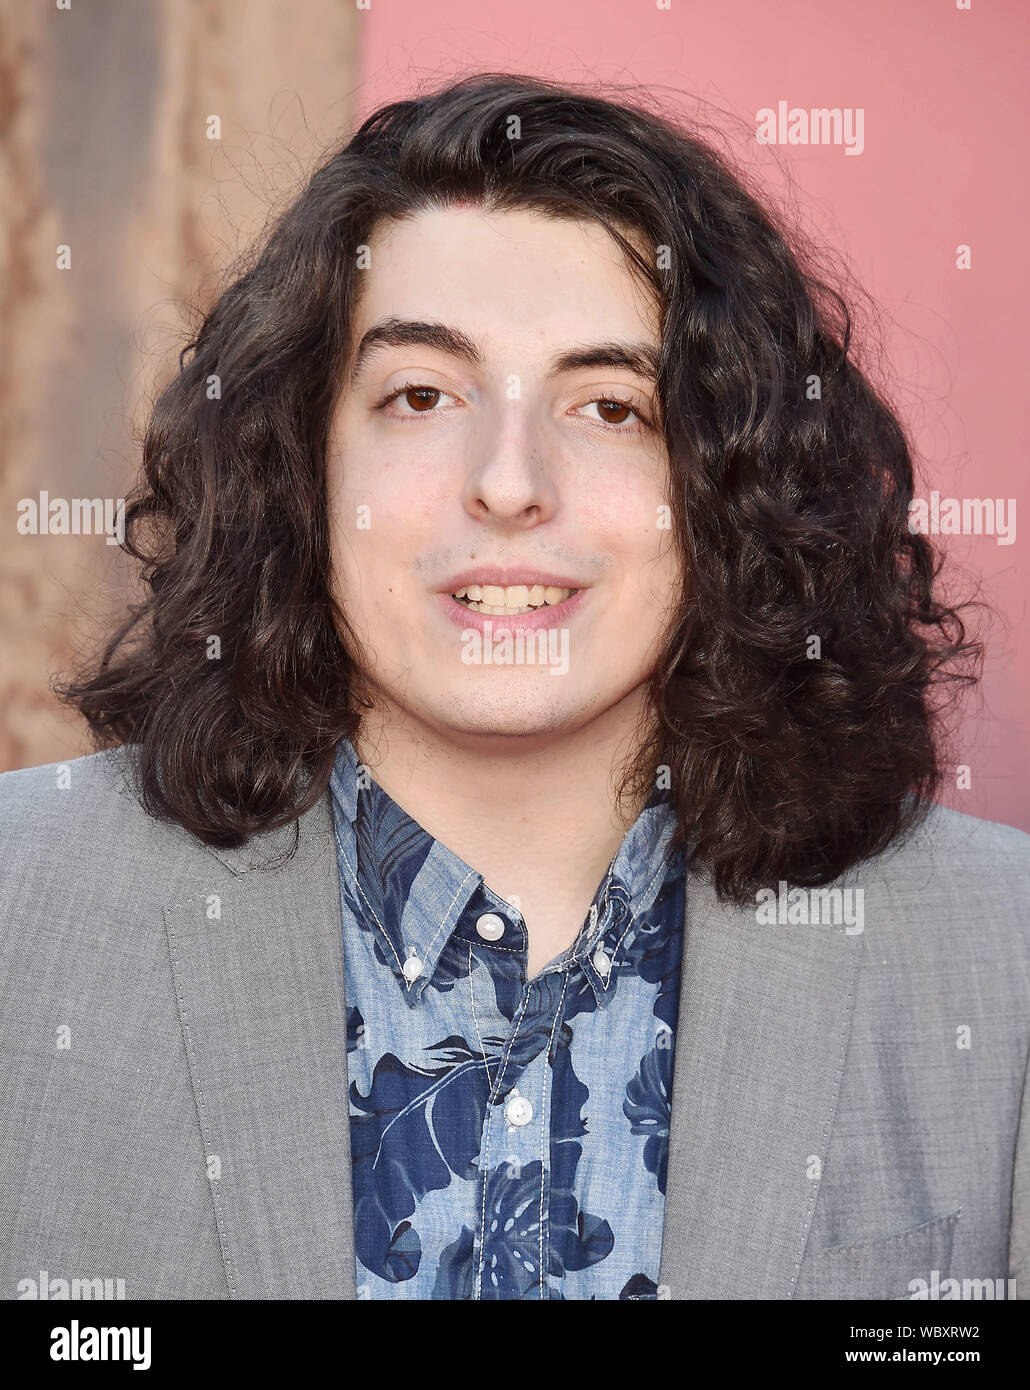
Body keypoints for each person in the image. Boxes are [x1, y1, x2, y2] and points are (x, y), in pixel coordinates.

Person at [2, 72, 1027, 1302]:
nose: (508, 481)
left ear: (727, 483)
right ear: (300, 464)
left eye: (609, 406)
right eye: (421, 395)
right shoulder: (22, 913)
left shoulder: (1001, 957)